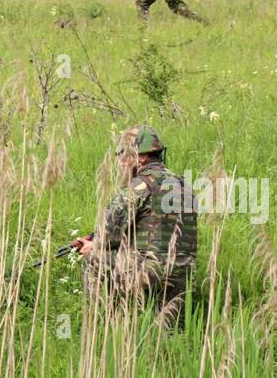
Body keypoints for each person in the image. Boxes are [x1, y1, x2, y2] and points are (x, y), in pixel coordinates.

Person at [74, 124, 198, 326]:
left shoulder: (138, 186)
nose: (121, 162)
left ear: (140, 157)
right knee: (172, 335)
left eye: (124, 155)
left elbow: (109, 236)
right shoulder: (186, 186)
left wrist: (92, 245)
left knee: (94, 260)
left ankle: (101, 324)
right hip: (183, 273)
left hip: (148, 271)